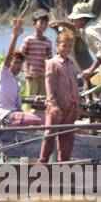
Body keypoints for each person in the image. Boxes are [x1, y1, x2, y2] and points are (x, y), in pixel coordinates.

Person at [38, 31, 81, 163]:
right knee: (49, 135)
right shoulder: (52, 63)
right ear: (57, 46)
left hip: (70, 106)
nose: (67, 49)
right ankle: (42, 162)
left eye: (69, 46)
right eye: (64, 46)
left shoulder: (72, 64)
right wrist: (53, 104)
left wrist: (78, 106)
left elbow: (75, 87)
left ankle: (63, 164)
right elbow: (49, 85)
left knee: (67, 137)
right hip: (56, 107)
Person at [0, 17, 44, 127]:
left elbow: (19, 108)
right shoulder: (4, 74)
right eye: (15, 62)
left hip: (15, 115)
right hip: (8, 117)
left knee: (44, 116)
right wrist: (15, 36)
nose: (17, 65)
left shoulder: (17, 84)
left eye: (20, 63)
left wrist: (35, 101)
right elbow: (8, 57)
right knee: (43, 120)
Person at [19, 9, 54, 100]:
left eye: (45, 23)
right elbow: (21, 56)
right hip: (32, 75)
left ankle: (40, 114)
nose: (43, 25)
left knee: (42, 100)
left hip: (44, 75)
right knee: (31, 99)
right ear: (34, 24)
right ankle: (28, 114)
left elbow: (50, 59)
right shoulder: (28, 40)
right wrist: (26, 70)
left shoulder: (48, 42)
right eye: (41, 22)